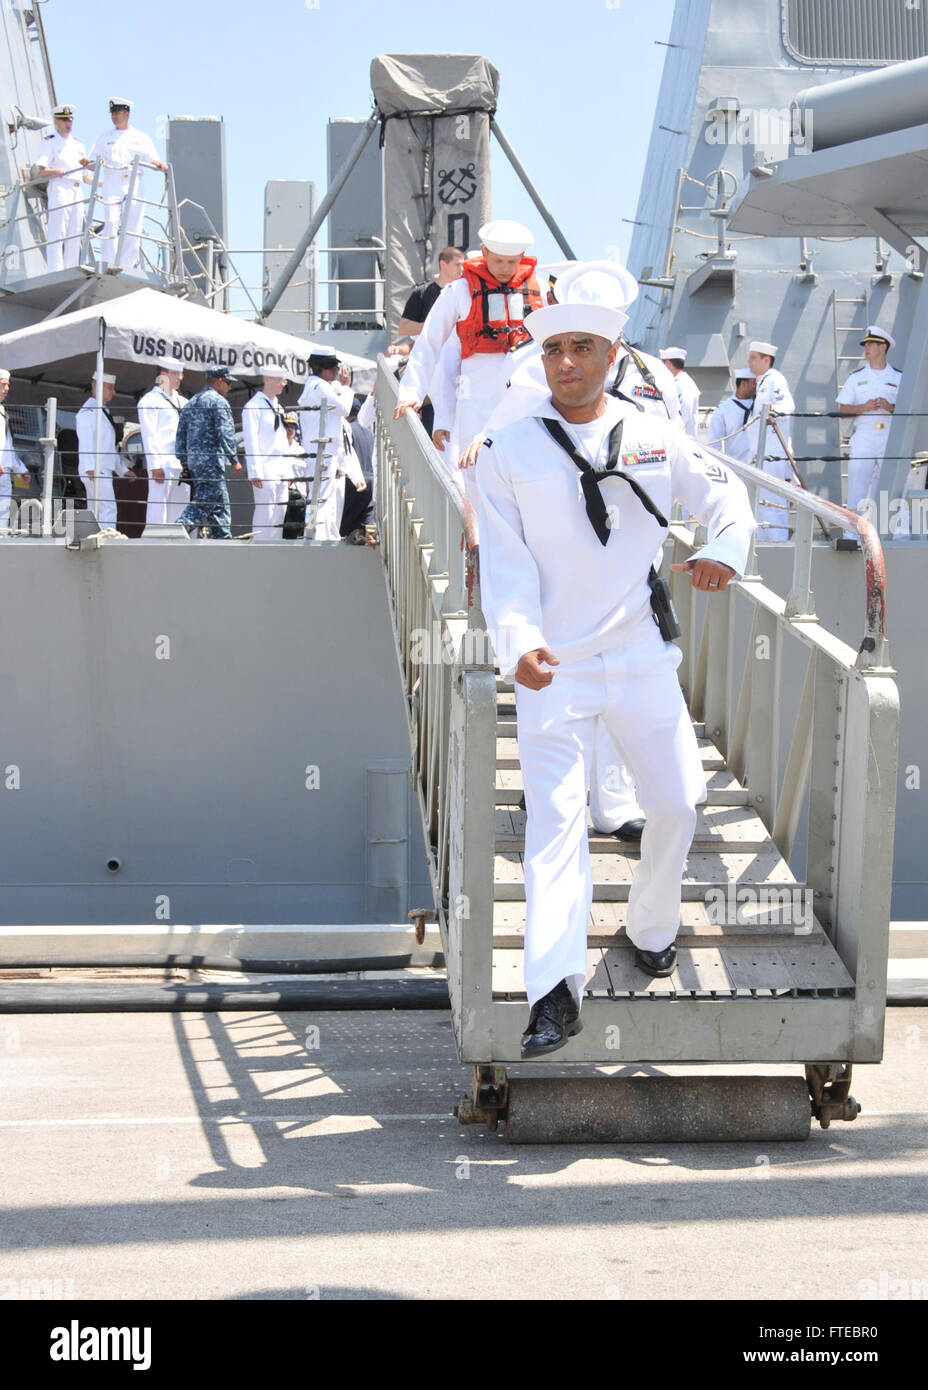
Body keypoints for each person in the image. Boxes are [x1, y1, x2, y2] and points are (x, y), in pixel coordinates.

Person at [474, 264, 754, 1057]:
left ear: (611, 351)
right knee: (555, 826)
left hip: (636, 656)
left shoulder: (658, 437)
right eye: (555, 347)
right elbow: (505, 565)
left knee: (676, 802)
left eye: (584, 347)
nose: (568, 362)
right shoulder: (509, 451)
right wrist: (518, 641)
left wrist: (726, 550)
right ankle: (553, 992)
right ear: (542, 357)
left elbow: (724, 499)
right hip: (552, 666)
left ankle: (651, 925)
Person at [393, 219, 542, 493]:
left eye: (512, 262)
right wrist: (412, 392)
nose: (505, 269)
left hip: (525, 400)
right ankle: (477, 534)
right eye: (498, 261)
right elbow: (429, 343)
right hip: (477, 401)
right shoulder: (459, 291)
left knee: (525, 476)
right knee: (476, 475)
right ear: (484, 255)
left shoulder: (539, 290)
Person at [836, 325, 902, 545]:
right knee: (857, 485)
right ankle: (851, 534)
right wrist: (863, 407)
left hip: (889, 436)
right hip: (864, 435)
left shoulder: (898, 377)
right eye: (865, 344)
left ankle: (894, 532)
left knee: (891, 484)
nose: (866, 348)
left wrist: (890, 406)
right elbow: (842, 409)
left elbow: (908, 407)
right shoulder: (856, 378)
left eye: (871, 344)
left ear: (882, 347)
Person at [87, 99, 168, 270]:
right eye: (113, 113)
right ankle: (109, 262)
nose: (115, 116)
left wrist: (159, 165)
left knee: (133, 225)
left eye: (118, 113)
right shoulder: (104, 138)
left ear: (127, 113)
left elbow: (151, 158)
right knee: (111, 222)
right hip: (112, 182)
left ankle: (127, 265)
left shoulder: (140, 137)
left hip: (133, 182)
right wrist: (85, 164)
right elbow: (92, 162)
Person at [297, 353, 365, 540]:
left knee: (328, 500)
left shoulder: (320, 386)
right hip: (320, 448)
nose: (336, 372)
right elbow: (343, 408)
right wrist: (346, 388)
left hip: (326, 448)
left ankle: (326, 535)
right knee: (320, 497)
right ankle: (314, 535)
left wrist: (340, 387)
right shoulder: (317, 386)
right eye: (333, 368)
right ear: (323, 369)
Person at [175, 366, 240, 539]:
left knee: (220, 505)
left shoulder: (191, 402)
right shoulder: (218, 402)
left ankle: (223, 538)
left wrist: (185, 464)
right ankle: (176, 530)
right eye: (227, 383)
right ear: (219, 382)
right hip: (211, 464)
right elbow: (225, 432)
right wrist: (234, 459)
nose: (229, 387)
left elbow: (180, 438)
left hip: (195, 464)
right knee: (205, 502)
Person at [744, 340, 796, 542]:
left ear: (766, 359)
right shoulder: (763, 381)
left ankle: (777, 543)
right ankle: (764, 543)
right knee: (762, 505)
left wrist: (772, 409)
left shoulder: (775, 379)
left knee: (772, 504)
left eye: (753, 358)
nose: (749, 362)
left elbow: (787, 405)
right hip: (762, 455)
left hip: (772, 456)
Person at [76, 371, 136, 531]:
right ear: (96, 387)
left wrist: (122, 470)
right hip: (96, 469)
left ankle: (98, 539)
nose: (113, 392)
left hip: (103, 469)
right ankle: (106, 542)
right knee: (107, 508)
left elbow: (108, 447)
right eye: (110, 388)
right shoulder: (88, 412)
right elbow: (86, 441)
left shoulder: (103, 412)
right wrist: (90, 467)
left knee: (99, 510)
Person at [37, 104, 91, 272]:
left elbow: (86, 176)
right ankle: (55, 270)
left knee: (74, 233)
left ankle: (71, 269)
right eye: (64, 120)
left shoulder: (78, 145)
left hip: (77, 189)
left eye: (70, 119)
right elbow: (42, 171)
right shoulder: (50, 142)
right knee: (57, 231)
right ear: (56, 121)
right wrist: (57, 171)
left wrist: (104, 183)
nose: (68, 123)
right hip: (60, 188)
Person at [386, 246, 466, 357]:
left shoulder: (466, 293)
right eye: (457, 265)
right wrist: (434, 326)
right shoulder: (421, 293)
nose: (462, 269)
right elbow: (404, 328)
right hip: (431, 360)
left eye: (463, 265)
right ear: (443, 264)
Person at [139, 359, 188, 530]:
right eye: (176, 373)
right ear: (163, 375)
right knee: (158, 511)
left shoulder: (183, 402)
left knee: (181, 509)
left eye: (180, 373)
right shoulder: (150, 401)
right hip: (163, 464)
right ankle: (155, 544)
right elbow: (149, 435)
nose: (180, 377)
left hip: (181, 465)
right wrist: (155, 465)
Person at [242, 368, 291, 539]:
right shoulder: (254, 406)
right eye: (281, 380)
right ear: (268, 379)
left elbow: (284, 441)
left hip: (281, 468)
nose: (283, 384)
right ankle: (260, 549)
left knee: (279, 512)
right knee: (265, 512)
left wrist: (288, 470)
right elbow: (251, 441)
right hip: (266, 467)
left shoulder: (278, 406)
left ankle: (274, 548)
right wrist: (255, 471)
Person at [0, 370, 29, 530]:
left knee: (2, 519)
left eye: (8, 385)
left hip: (3, 475)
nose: (7, 389)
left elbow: (7, 446)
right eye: (3, 385)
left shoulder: (2, 411)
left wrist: (21, 470)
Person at [708, 369, 756, 463]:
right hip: (736, 467)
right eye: (754, 383)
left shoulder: (760, 404)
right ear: (743, 384)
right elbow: (714, 443)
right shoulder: (723, 410)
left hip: (760, 467)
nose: (757, 387)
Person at [659, 347, 700, 434]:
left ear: (668, 364)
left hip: (681, 439)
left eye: (663, 363)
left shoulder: (684, 384)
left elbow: (685, 413)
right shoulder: (676, 383)